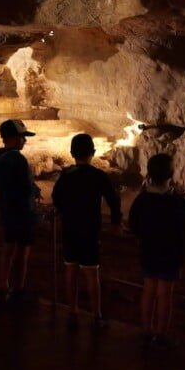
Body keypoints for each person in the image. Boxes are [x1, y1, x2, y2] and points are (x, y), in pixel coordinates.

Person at [128, 153, 185, 349]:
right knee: (165, 294)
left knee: (149, 289)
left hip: (148, 250)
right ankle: (161, 335)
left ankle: (146, 330)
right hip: (170, 253)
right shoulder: (176, 202)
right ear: (171, 174)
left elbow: (133, 222)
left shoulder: (143, 200)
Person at [52, 134, 121, 329]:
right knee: (92, 274)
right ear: (93, 153)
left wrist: (63, 210)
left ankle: (72, 310)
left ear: (72, 153)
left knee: (70, 270)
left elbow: (57, 198)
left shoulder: (66, 175)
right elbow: (113, 200)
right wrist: (116, 222)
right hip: (90, 229)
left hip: (70, 229)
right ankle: (96, 314)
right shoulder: (98, 176)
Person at [0, 119, 41, 303]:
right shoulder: (17, 159)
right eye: (22, 137)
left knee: (8, 248)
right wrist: (35, 192)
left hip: (6, 209)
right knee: (22, 253)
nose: (24, 141)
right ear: (12, 138)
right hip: (23, 212)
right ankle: (19, 288)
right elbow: (26, 188)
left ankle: (3, 285)